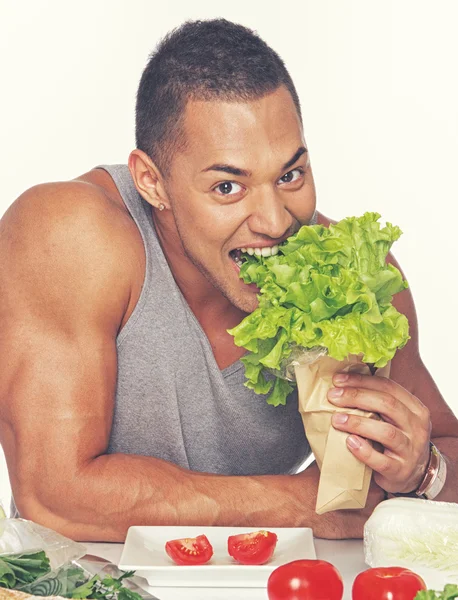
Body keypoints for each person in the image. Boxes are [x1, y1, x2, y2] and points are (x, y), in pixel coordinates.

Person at [0, 19, 457, 543]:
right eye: (227, 186)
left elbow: (446, 451)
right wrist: (298, 504)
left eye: (289, 175)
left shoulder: (349, 275)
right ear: (152, 181)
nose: (276, 221)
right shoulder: (67, 233)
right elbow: (53, 497)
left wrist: (423, 472)